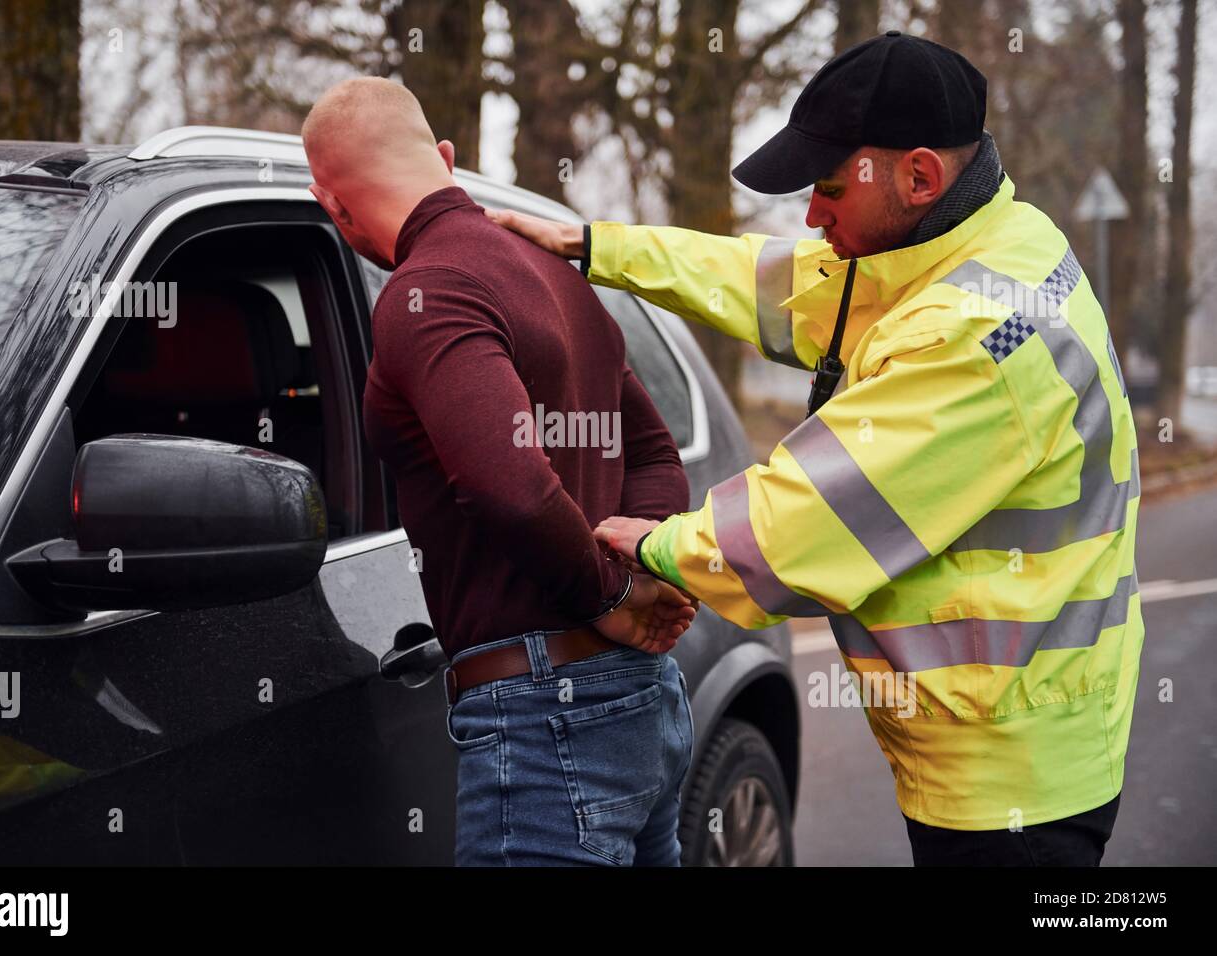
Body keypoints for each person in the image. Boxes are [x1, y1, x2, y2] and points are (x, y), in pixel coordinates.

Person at [487, 32, 1143, 866]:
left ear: (917, 176)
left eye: (829, 188)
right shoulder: (981, 245)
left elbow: (808, 524)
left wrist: (650, 544)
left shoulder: (973, 336)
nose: (810, 214)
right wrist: (597, 249)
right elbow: (773, 282)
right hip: (1022, 725)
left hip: (1010, 774)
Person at [302, 77, 698, 866]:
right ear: (445, 158)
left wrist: (615, 592)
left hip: (548, 724)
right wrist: (640, 561)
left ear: (332, 204)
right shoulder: (555, 275)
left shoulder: (429, 291)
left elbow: (508, 487)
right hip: (645, 704)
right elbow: (653, 454)